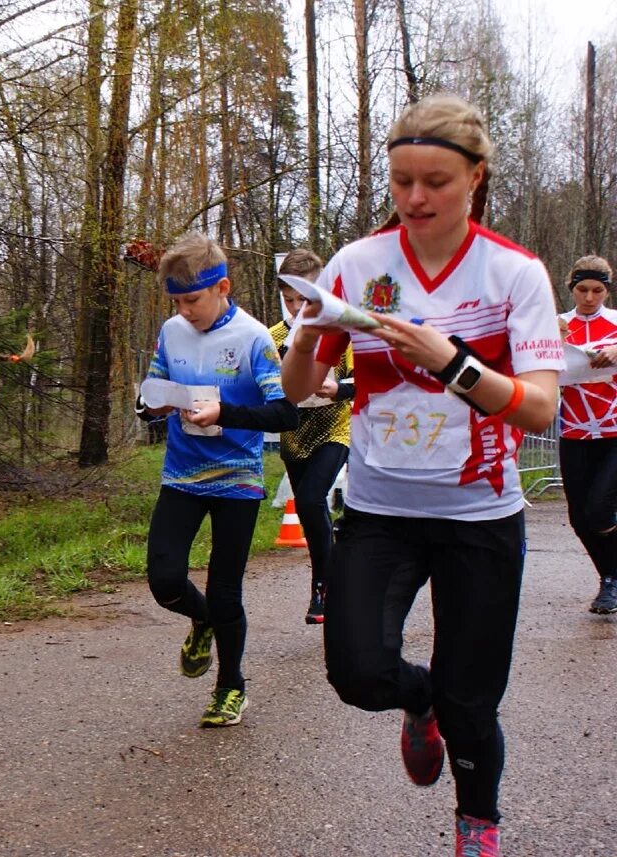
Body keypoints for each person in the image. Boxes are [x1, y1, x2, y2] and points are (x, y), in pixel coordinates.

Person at [281, 93, 563, 856]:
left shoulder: (514, 273)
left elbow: (539, 410)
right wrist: (310, 334)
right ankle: (419, 703)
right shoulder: (360, 263)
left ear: (475, 177)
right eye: (402, 180)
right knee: (357, 672)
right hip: (380, 511)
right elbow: (298, 388)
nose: (414, 198)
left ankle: (478, 824)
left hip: (480, 517)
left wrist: (456, 364)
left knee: (476, 701)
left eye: (435, 180)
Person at [138, 231, 298, 728]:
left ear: (222, 287)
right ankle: (200, 618)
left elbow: (285, 412)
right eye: (177, 301)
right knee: (164, 580)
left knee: (227, 590)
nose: (185, 310)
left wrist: (225, 412)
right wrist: (152, 404)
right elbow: (149, 394)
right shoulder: (172, 330)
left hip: (237, 479)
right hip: (181, 475)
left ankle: (231, 687)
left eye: (194, 300)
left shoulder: (253, 338)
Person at [267, 249, 353, 624]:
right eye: (290, 300)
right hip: (295, 430)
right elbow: (267, 388)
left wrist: (341, 389)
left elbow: (365, 379)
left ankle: (324, 587)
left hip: (336, 423)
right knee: (307, 507)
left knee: (311, 496)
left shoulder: (340, 329)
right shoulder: (273, 336)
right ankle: (336, 551)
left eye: (306, 299)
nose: (298, 307)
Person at [557, 256, 617, 615]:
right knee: (580, 517)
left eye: (597, 290)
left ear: (607, 290)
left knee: (599, 508)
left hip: (614, 430)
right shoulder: (558, 324)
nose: (590, 297)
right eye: (582, 289)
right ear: (572, 288)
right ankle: (609, 577)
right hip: (574, 431)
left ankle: (612, 577)